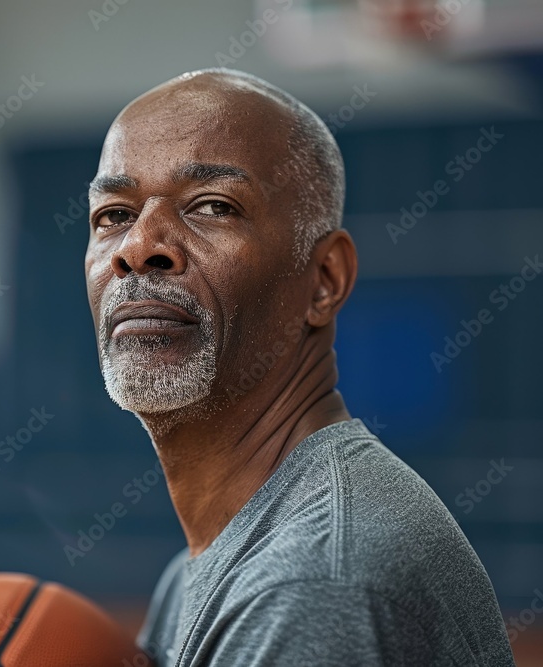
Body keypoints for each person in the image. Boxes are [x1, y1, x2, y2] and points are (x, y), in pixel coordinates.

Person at [83, 68, 514, 666]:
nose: (138, 246)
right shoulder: (199, 571)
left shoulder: (317, 582)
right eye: (112, 214)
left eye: (213, 207)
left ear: (325, 280)